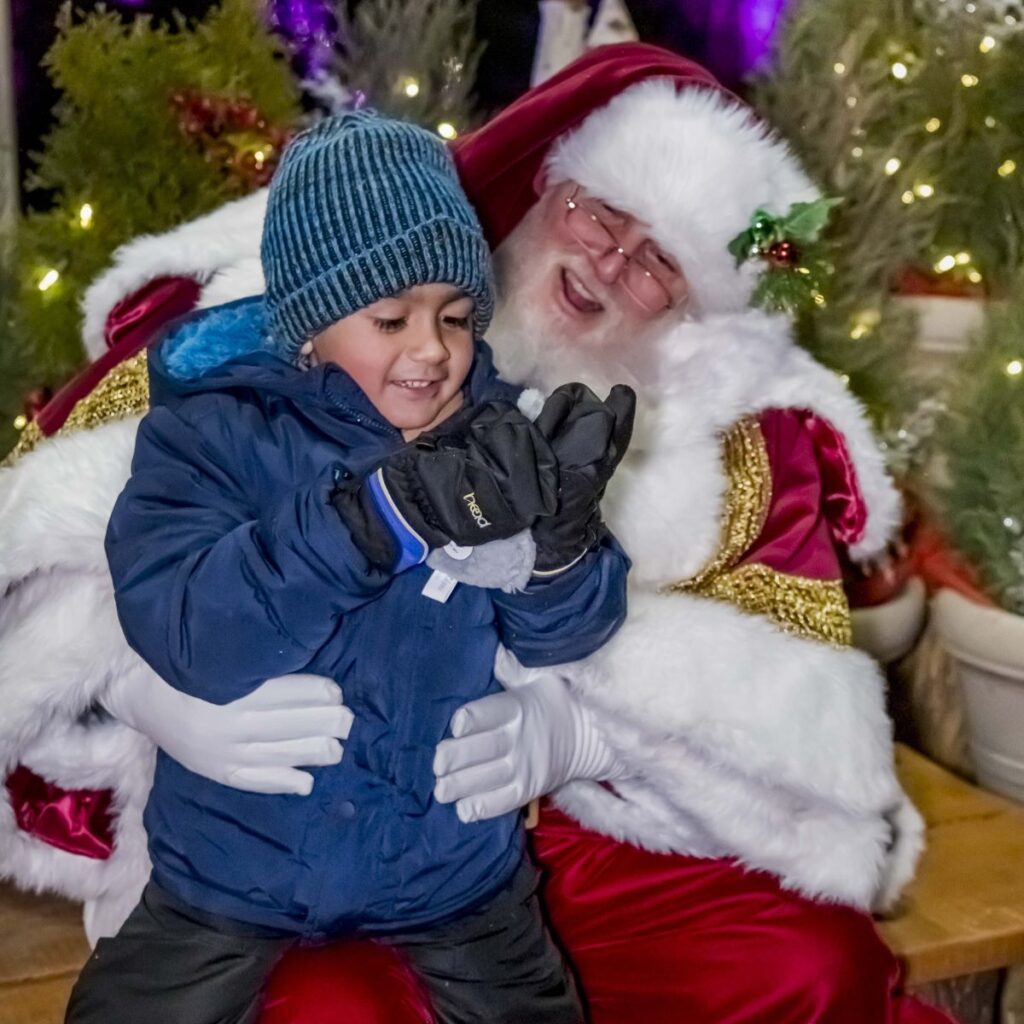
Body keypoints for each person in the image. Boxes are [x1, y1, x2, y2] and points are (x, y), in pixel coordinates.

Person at [0, 44, 956, 1024]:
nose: (609, 262)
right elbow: (70, 548)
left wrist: (578, 736)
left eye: (659, 262)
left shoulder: (746, 438)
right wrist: (147, 687)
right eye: (601, 212)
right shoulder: (277, 310)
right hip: (297, 833)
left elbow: (789, 735)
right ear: (549, 181)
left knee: (803, 963)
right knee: (327, 1008)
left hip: (581, 843)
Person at [64, 110, 633, 1024]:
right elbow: (189, 629)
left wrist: (563, 546)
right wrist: (376, 521)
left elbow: (568, 637)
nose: (432, 349)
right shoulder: (212, 434)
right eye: (390, 318)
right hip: (232, 868)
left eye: (455, 316)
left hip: (450, 871)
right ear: (310, 327)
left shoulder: (500, 435)